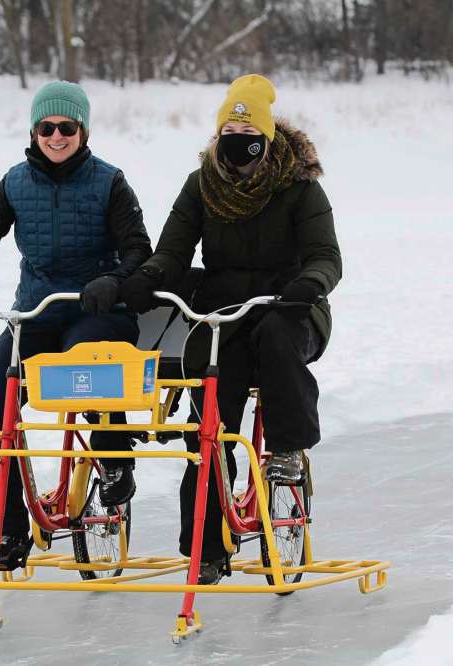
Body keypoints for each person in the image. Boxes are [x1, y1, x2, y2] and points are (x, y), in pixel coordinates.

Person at [118, 74, 341, 585]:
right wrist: (148, 279)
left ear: (265, 135)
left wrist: (310, 283)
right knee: (212, 416)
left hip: (289, 306)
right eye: (229, 127)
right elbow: (174, 251)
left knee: (275, 342)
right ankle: (205, 545)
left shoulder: (299, 186)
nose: (237, 136)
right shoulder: (201, 184)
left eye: (247, 127)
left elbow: (326, 255)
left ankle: (285, 451)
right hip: (222, 313)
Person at [0, 81, 152, 570]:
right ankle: (6, 529)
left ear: (82, 131)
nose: (56, 136)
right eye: (46, 127)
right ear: (34, 132)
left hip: (98, 311)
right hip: (36, 311)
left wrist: (113, 281)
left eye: (66, 127)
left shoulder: (110, 181)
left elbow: (140, 250)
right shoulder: (15, 183)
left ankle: (114, 458)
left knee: (89, 371)